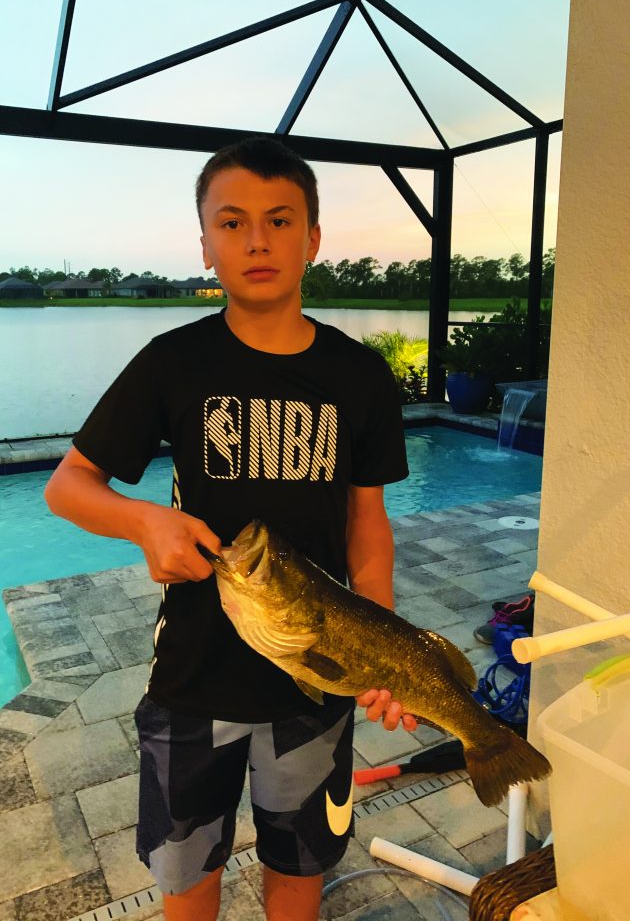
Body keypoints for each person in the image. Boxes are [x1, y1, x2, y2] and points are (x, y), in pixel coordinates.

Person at [44, 137, 415, 921]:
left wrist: (383, 639)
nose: (257, 241)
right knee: (187, 882)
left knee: (299, 869)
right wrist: (145, 520)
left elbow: (367, 524)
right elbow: (69, 486)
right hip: (192, 679)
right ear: (205, 243)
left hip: (316, 680)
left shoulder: (359, 376)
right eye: (233, 222)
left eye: (280, 221)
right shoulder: (172, 363)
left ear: (312, 238)